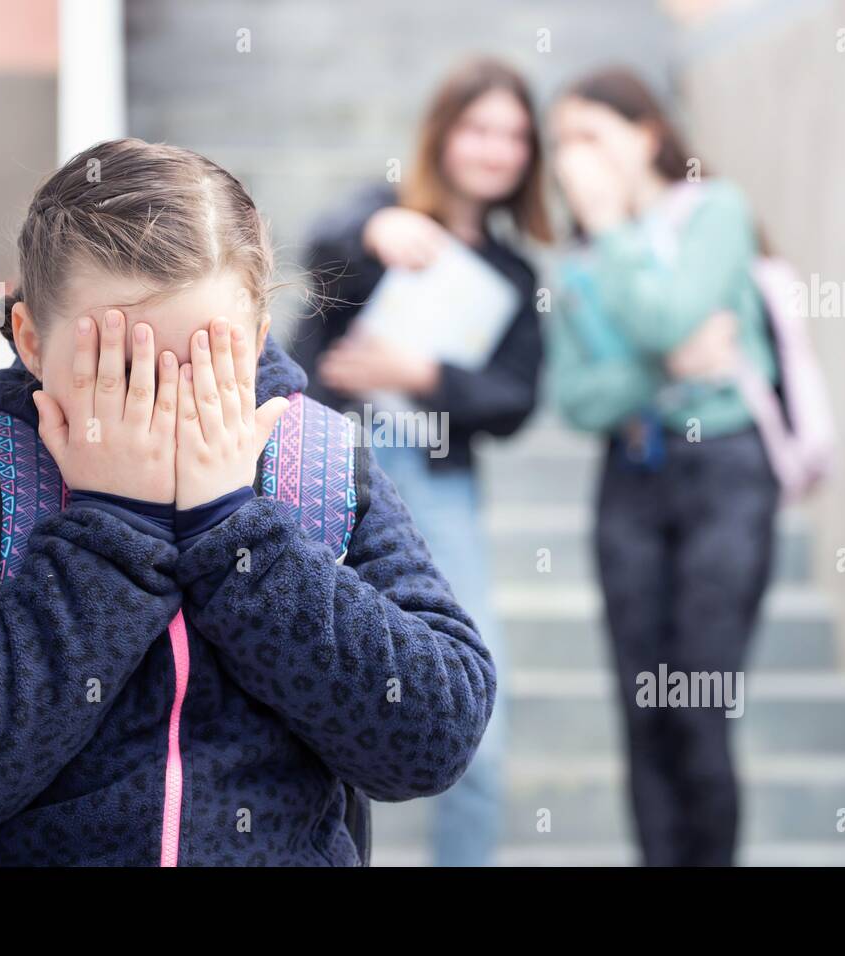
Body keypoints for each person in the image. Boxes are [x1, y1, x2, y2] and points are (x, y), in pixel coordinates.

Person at [0, 138, 495, 866]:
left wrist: (239, 536)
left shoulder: (318, 468)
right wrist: (111, 533)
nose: (166, 404)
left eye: (207, 364)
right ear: (32, 342)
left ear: (258, 341)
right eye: (122, 368)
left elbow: (431, 742)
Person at [293, 57, 551, 867]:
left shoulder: (514, 274)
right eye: (479, 128)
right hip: (335, 470)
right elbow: (316, 255)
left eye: (514, 134)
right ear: (443, 136)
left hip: (438, 482)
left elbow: (514, 401)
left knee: (480, 725)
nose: (496, 149)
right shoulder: (379, 213)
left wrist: (422, 375)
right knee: (315, 703)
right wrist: (374, 230)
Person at [546, 68, 781, 866]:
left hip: (725, 475)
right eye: (563, 144)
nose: (574, 159)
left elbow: (669, 314)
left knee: (699, 708)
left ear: (647, 134)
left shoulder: (716, 211)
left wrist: (612, 224)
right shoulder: (572, 266)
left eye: (591, 137)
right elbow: (578, 400)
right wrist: (662, 371)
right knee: (644, 712)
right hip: (630, 480)